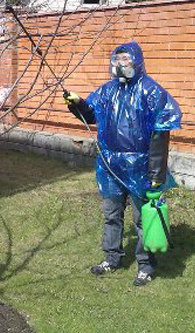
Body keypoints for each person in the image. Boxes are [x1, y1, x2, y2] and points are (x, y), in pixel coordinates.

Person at [63, 41, 182, 286]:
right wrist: (78, 105)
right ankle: (111, 258)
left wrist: (156, 174)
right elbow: (91, 116)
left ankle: (146, 266)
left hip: (140, 166)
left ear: (137, 61)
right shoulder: (107, 91)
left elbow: (161, 133)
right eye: (117, 60)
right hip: (109, 164)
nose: (121, 64)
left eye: (126, 59)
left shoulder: (151, 91)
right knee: (111, 214)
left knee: (142, 219)